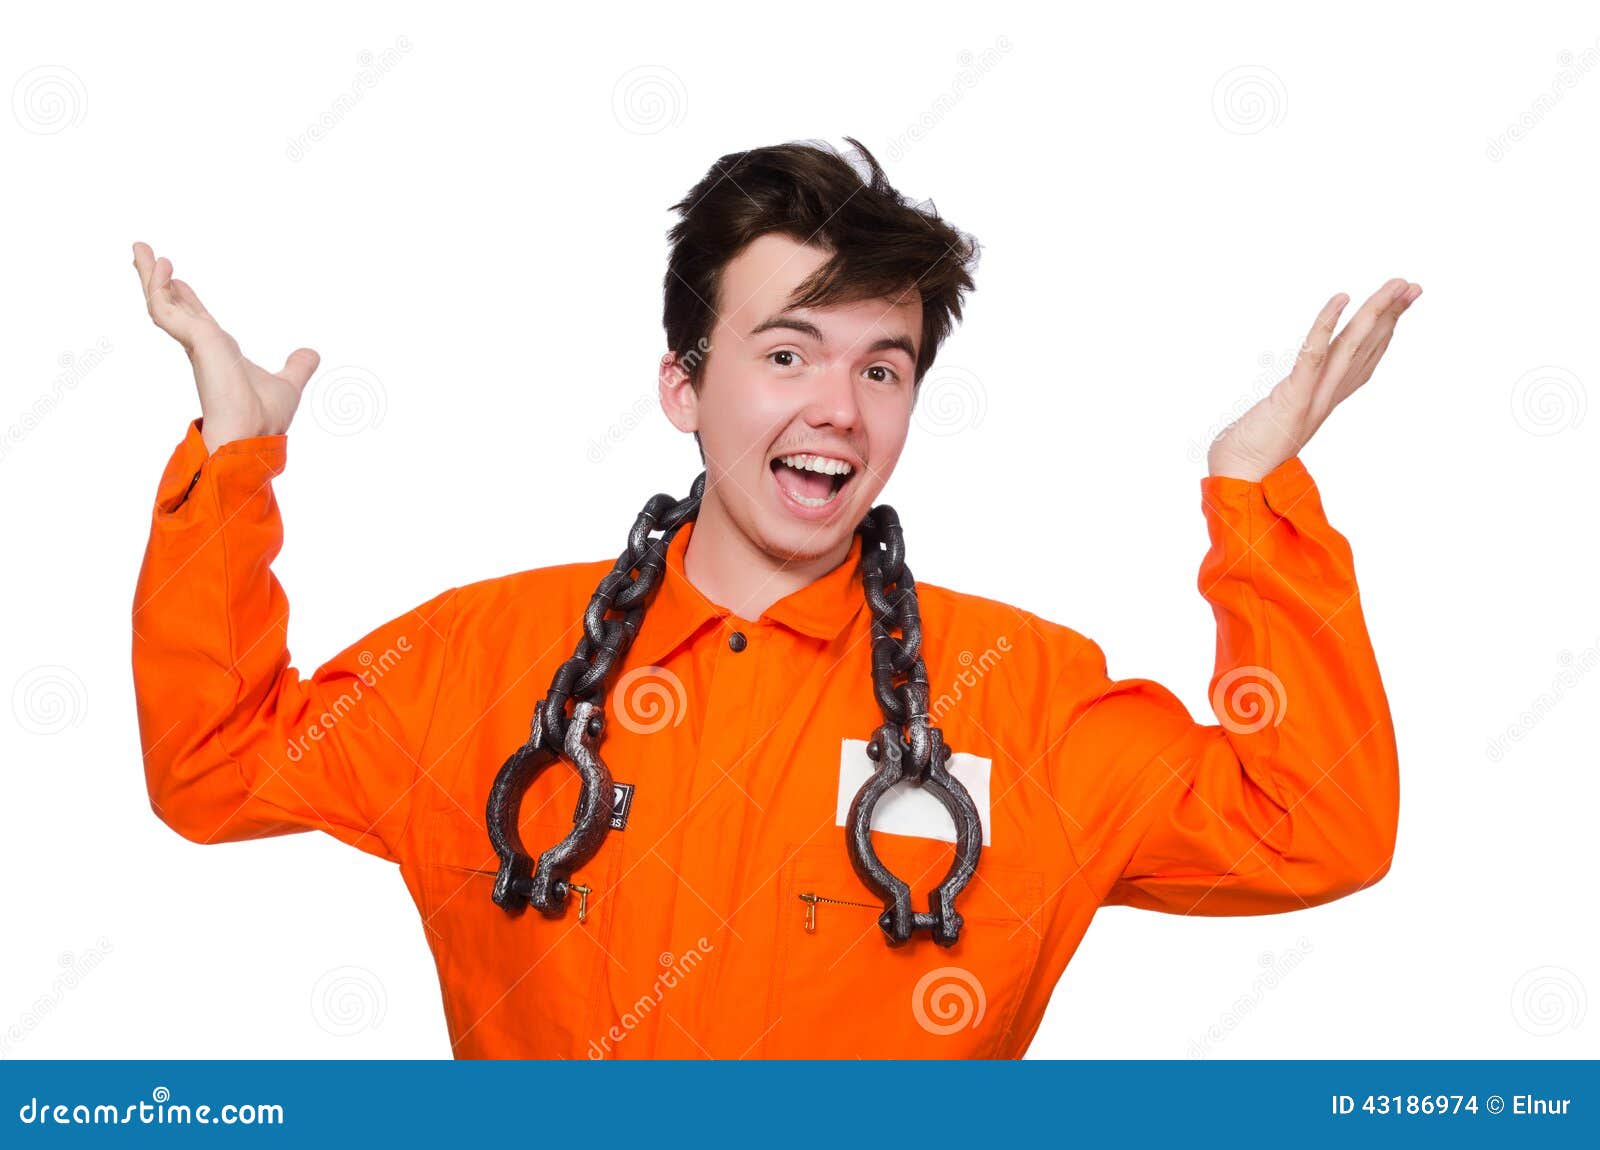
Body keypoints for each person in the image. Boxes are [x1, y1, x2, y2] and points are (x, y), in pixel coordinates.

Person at [130, 137, 1418, 1059]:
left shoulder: (1025, 701)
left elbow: (1313, 826)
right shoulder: (481, 661)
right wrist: (234, 466)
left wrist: (1255, 498)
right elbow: (217, 762)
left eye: (882, 369)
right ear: (684, 386)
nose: (837, 410)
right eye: (787, 353)